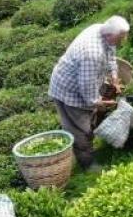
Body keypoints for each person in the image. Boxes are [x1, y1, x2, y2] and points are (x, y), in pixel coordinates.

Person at [48, 16, 128, 172]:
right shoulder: (92, 53)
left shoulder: (102, 29)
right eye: (121, 37)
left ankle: (88, 150)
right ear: (110, 35)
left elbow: (111, 54)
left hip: (81, 81)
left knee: (88, 122)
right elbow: (87, 92)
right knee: (81, 128)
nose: (123, 41)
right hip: (68, 91)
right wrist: (100, 104)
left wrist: (114, 77)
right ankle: (88, 163)